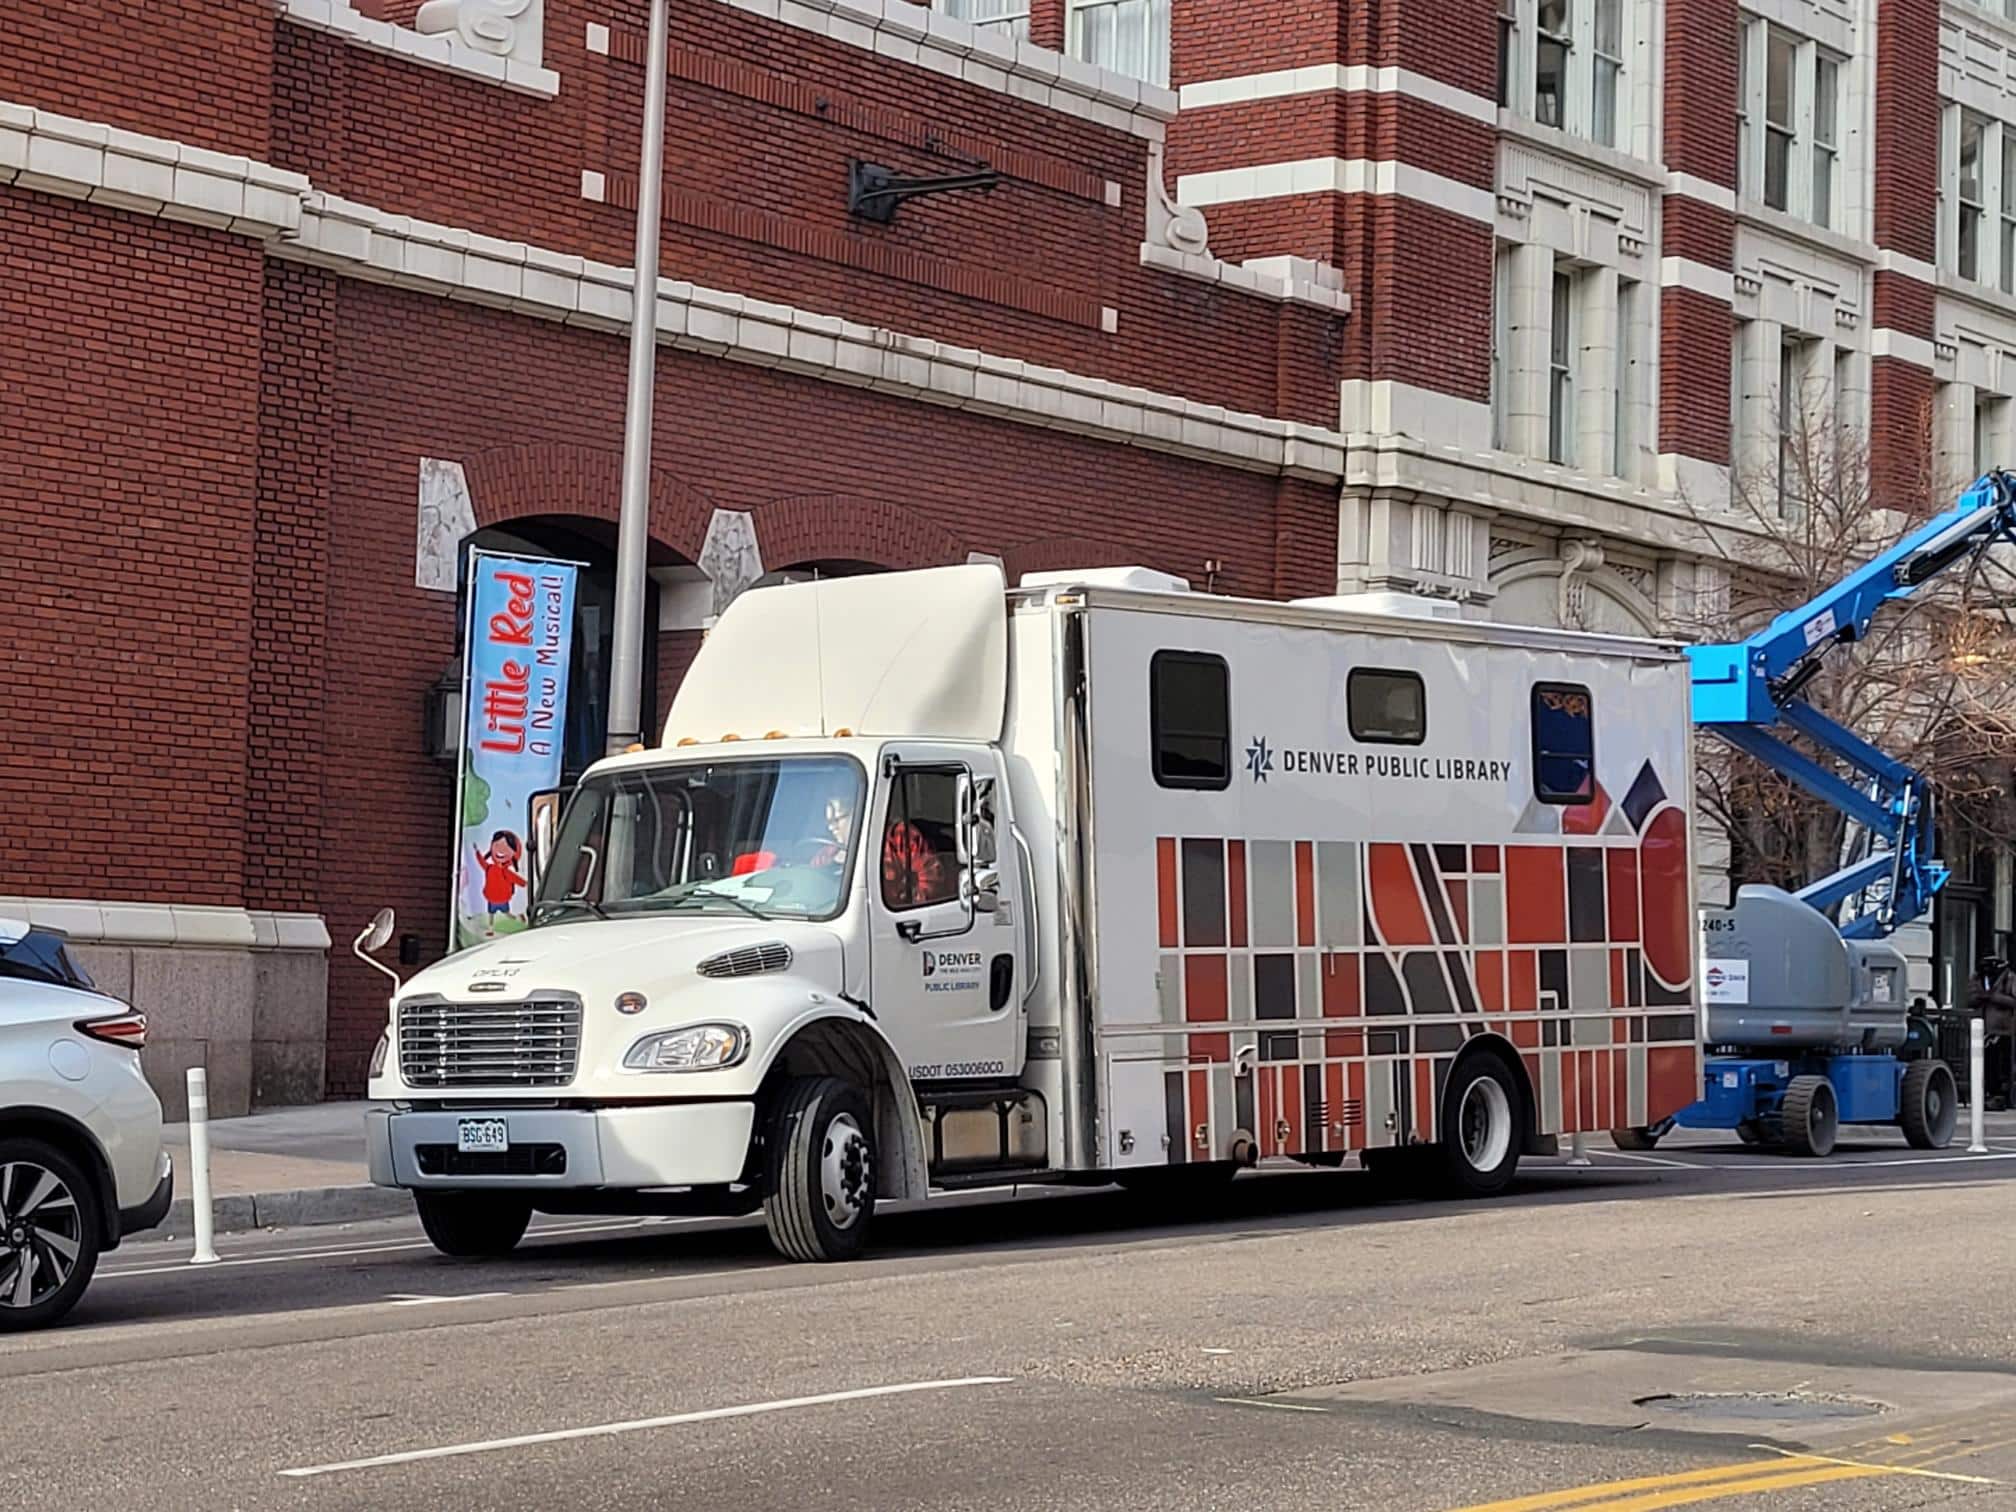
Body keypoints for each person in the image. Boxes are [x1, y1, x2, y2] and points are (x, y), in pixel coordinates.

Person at [473, 830, 526, 935]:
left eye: (506, 846)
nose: (500, 850)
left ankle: (518, 918)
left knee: (506, 913)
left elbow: (516, 879)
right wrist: (477, 852)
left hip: (502, 898)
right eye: (497, 845)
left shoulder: (505, 871)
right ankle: (491, 930)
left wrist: (525, 883)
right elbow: (481, 862)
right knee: (491, 914)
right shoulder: (489, 868)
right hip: (492, 897)